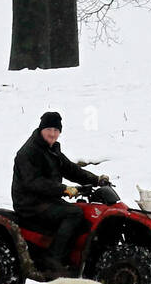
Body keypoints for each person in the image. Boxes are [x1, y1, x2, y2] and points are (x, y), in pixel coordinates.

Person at [12, 111, 100, 273]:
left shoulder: (51, 149)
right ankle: (53, 259)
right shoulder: (29, 152)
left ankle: (72, 258)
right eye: (49, 130)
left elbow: (70, 169)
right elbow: (33, 182)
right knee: (73, 214)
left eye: (56, 130)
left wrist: (96, 180)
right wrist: (63, 189)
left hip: (47, 199)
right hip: (30, 203)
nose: (52, 134)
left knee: (81, 212)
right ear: (41, 130)